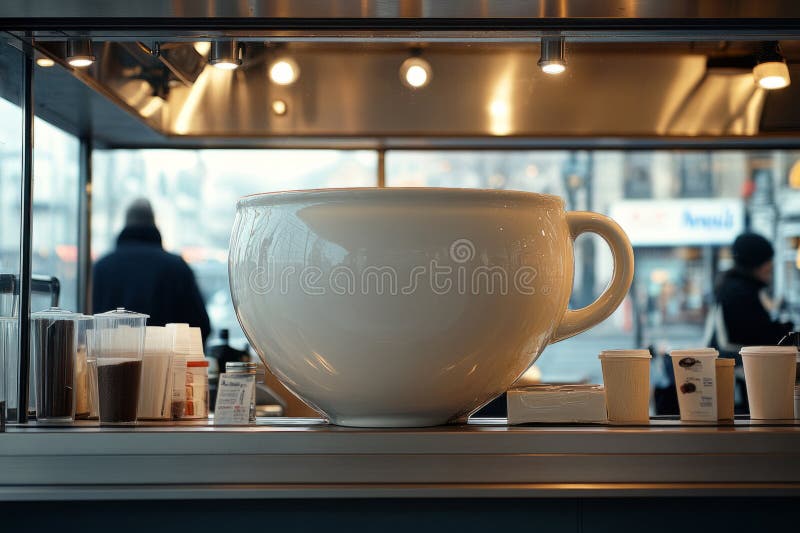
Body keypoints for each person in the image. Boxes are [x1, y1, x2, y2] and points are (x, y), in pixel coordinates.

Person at [92, 199, 211, 342]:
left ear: (126, 222)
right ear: (154, 222)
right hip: (168, 362)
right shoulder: (177, 268)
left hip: (109, 362)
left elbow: (90, 326)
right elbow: (201, 327)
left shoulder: (101, 268)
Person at [713, 232, 793, 348]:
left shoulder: (734, 286)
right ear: (755, 263)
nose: (771, 266)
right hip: (743, 363)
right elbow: (761, 338)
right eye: (768, 260)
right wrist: (787, 328)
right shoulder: (740, 293)